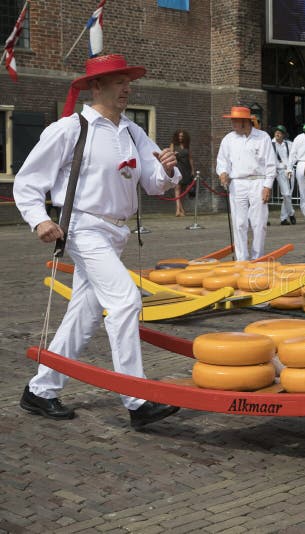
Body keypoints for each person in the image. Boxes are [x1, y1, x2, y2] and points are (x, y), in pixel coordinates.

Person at [13, 54, 181, 428]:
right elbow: (27, 180)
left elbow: (153, 183)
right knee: (124, 299)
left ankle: (40, 391)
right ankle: (137, 399)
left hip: (117, 232)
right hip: (83, 228)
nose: (126, 88)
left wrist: (168, 170)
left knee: (84, 314)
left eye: (128, 81)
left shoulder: (134, 132)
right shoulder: (71, 129)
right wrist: (40, 219)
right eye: (118, 81)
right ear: (96, 87)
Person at [216, 106, 277, 258]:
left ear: (245, 122)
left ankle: (257, 256)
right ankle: (242, 258)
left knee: (259, 222)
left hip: (258, 181)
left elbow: (270, 163)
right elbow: (222, 161)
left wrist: (267, 186)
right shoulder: (228, 139)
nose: (232, 124)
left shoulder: (263, 137)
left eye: (235, 121)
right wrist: (223, 172)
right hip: (237, 183)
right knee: (239, 222)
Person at [272, 125, 296, 226]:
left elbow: (295, 155)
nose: (277, 133)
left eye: (280, 132)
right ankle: (291, 213)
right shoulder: (270, 144)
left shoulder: (289, 144)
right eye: (276, 132)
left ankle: (283, 218)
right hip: (279, 171)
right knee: (285, 194)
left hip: (289, 170)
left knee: (288, 194)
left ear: (284, 135)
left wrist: (290, 167)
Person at [170, 129, 194, 217]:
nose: (180, 138)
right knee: (177, 188)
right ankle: (177, 210)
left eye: (182, 136)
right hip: (177, 167)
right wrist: (174, 154)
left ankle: (181, 209)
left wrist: (192, 170)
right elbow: (170, 156)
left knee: (183, 190)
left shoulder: (187, 145)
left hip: (186, 168)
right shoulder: (173, 145)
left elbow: (190, 158)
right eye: (179, 136)